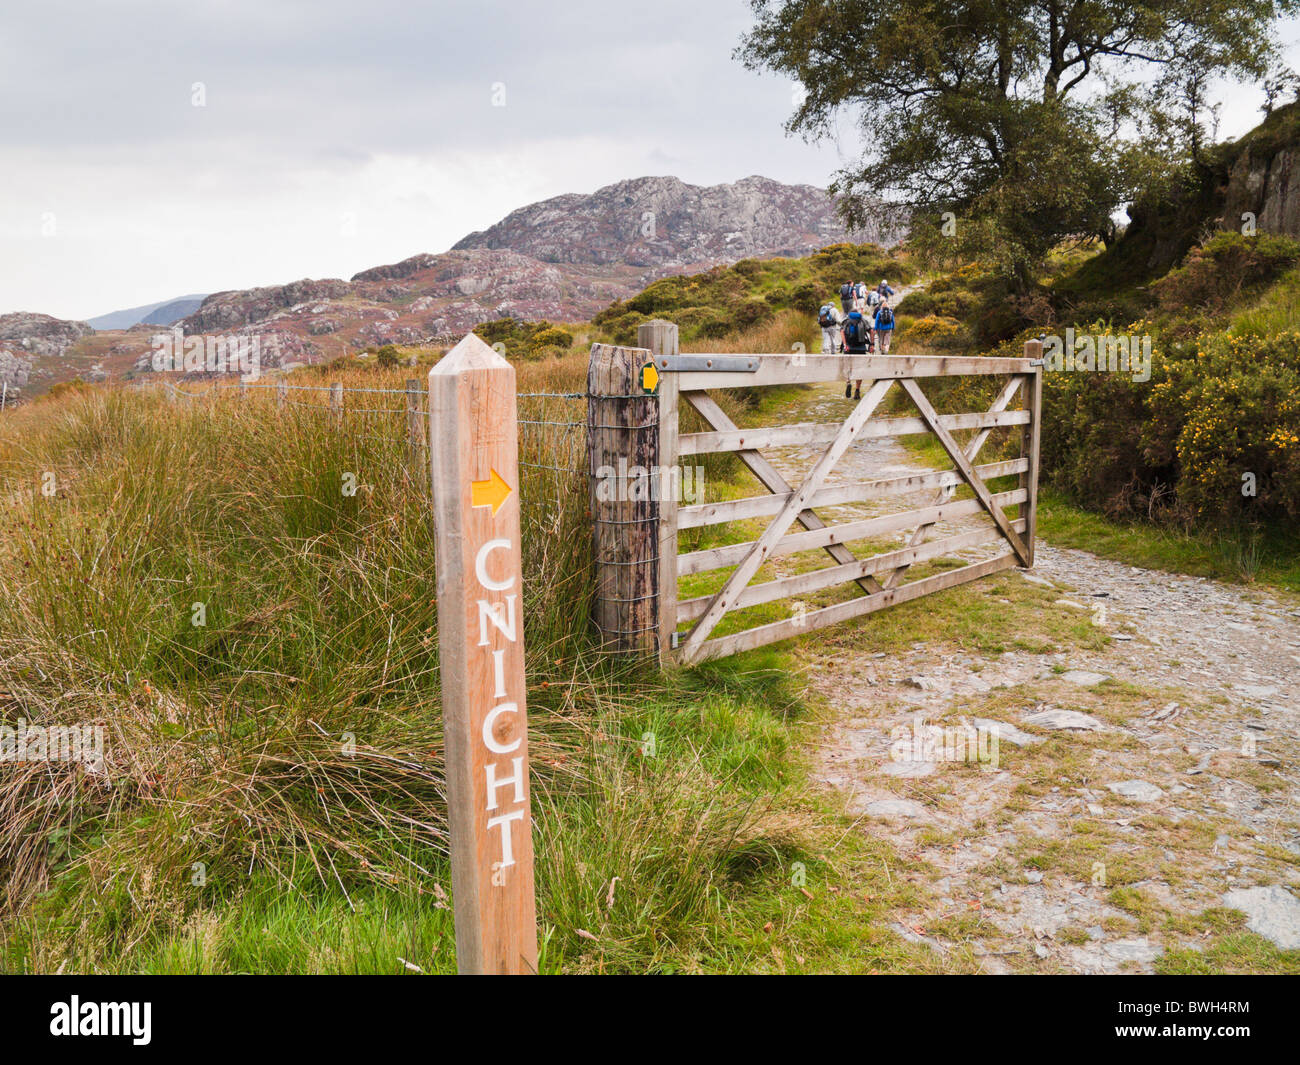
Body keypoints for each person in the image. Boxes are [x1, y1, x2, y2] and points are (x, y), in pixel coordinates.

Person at [841, 308, 871, 399]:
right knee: (860, 368)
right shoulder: (863, 320)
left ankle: (848, 382)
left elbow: (842, 332)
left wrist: (845, 344)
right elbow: (872, 331)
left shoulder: (846, 321)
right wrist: (872, 344)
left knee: (848, 367)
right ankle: (857, 390)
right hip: (861, 348)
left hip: (848, 348)